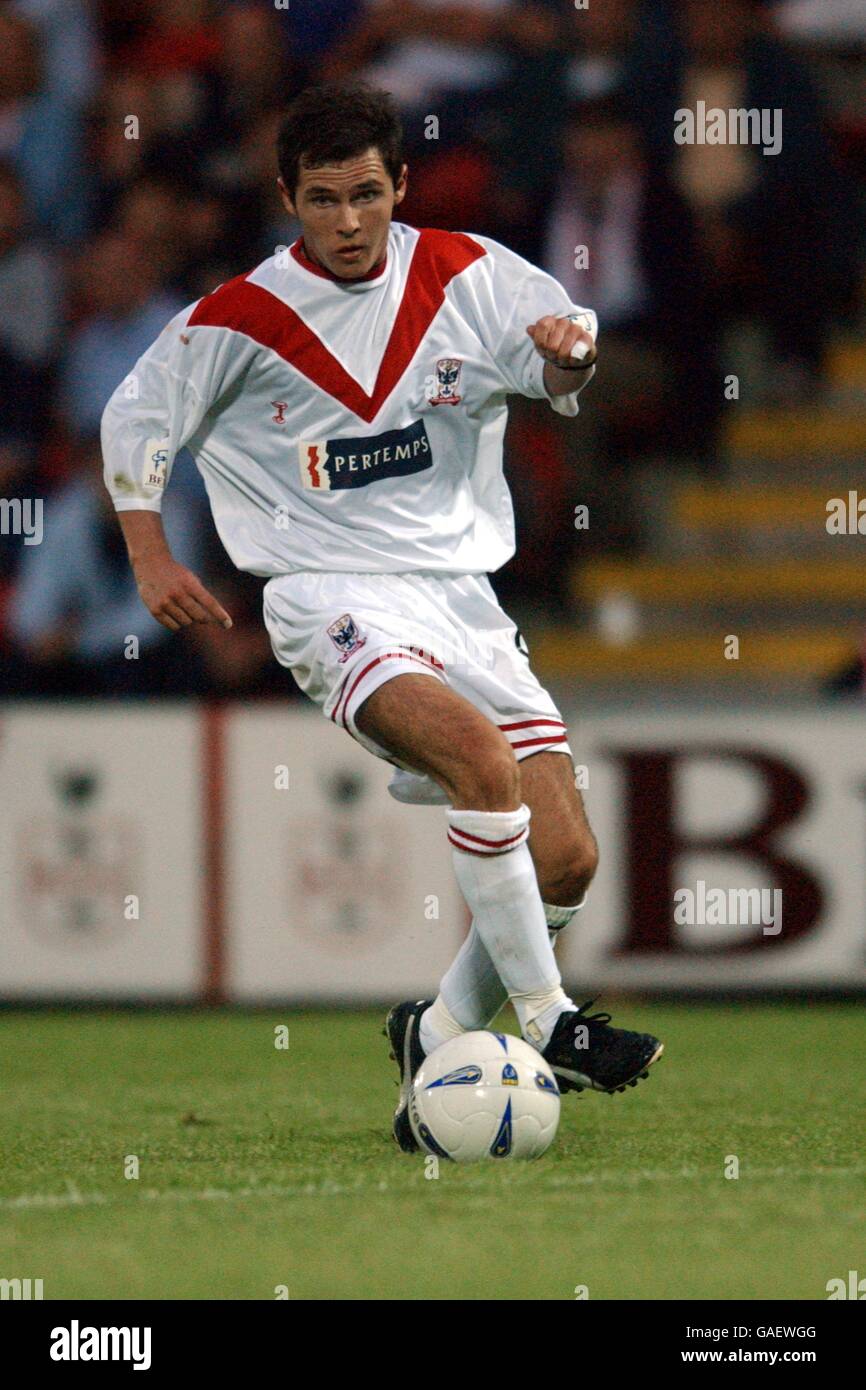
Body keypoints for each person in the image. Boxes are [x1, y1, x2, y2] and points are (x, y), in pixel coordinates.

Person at [101, 82, 663, 1150]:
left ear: (400, 184)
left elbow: (558, 353)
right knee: (479, 762)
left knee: (568, 857)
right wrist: (148, 552)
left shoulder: (468, 274)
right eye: (322, 199)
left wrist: (563, 356)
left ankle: (439, 1026)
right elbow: (136, 415)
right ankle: (551, 1023)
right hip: (328, 594)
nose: (348, 222)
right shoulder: (239, 317)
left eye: (366, 194)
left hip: (460, 597)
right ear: (285, 197)